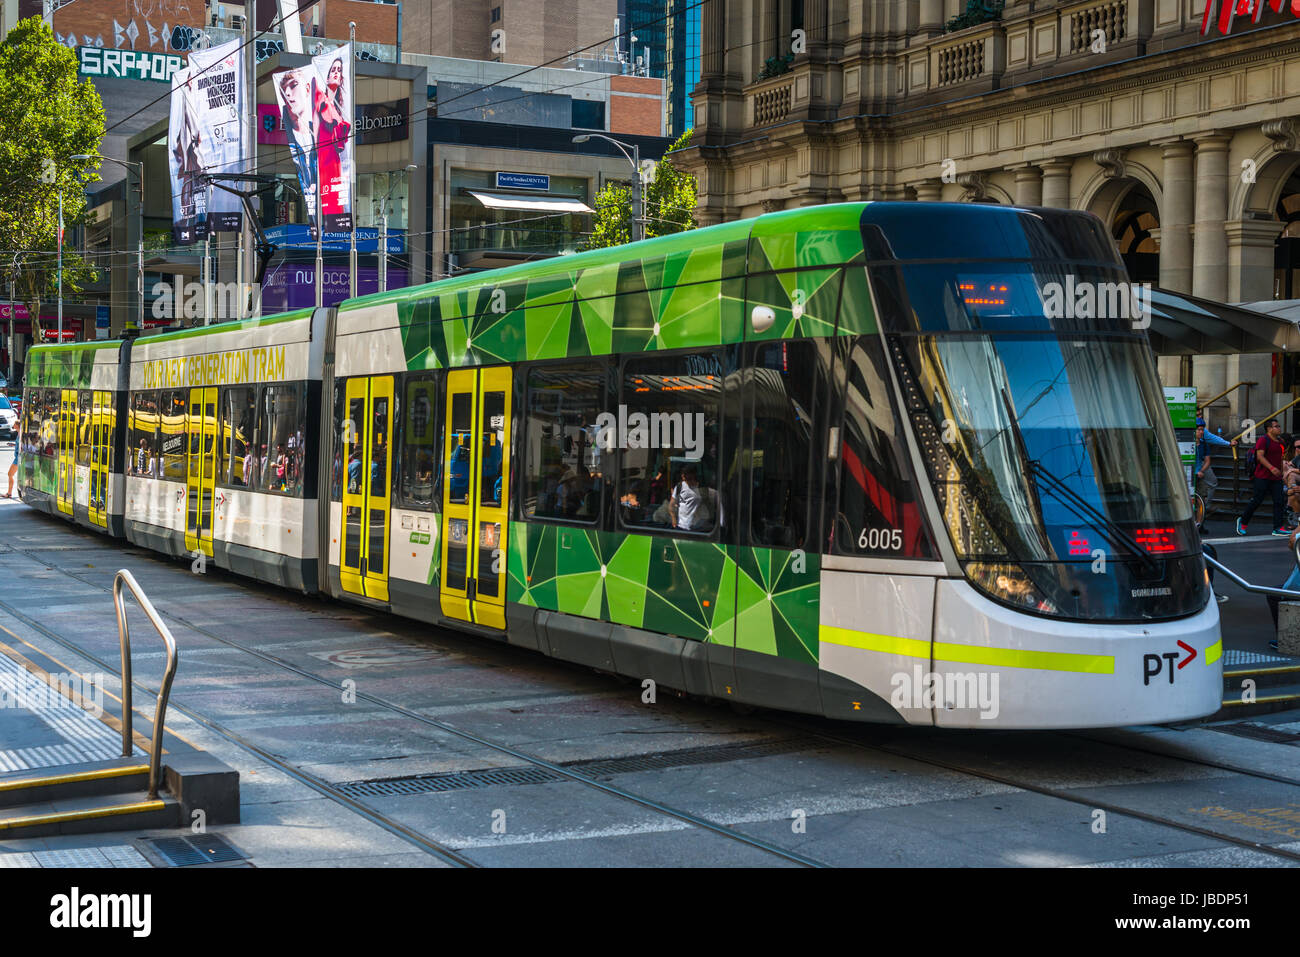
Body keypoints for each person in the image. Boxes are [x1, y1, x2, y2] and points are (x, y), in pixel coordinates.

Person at [1237, 418, 1290, 537]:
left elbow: (1281, 458)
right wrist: (1272, 468)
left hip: (1276, 478)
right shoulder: (1263, 440)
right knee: (1257, 500)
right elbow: (1260, 456)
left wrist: (1281, 472)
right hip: (1262, 476)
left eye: (1279, 426)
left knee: (1279, 502)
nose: (1279, 428)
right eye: (1276, 426)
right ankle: (1243, 522)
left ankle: (1278, 527)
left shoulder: (1280, 441)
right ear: (1269, 429)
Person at [314, 57, 351, 222]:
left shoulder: (340, 106)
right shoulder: (320, 98)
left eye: (339, 70)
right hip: (323, 159)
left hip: (336, 163)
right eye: (333, 70)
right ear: (327, 75)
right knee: (328, 204)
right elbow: (317, 130)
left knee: (337, 205)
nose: (336, 73)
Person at [1193, 418, 1236, 525]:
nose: (1201, 432)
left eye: (1202, 430)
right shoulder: (1188, 443)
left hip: (1199, 471)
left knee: (1201, 496)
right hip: (1191, 472)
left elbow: (1207, 459)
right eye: (1199, 430)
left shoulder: (1203, 442)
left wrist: (1228, 443)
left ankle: (1200, 520)